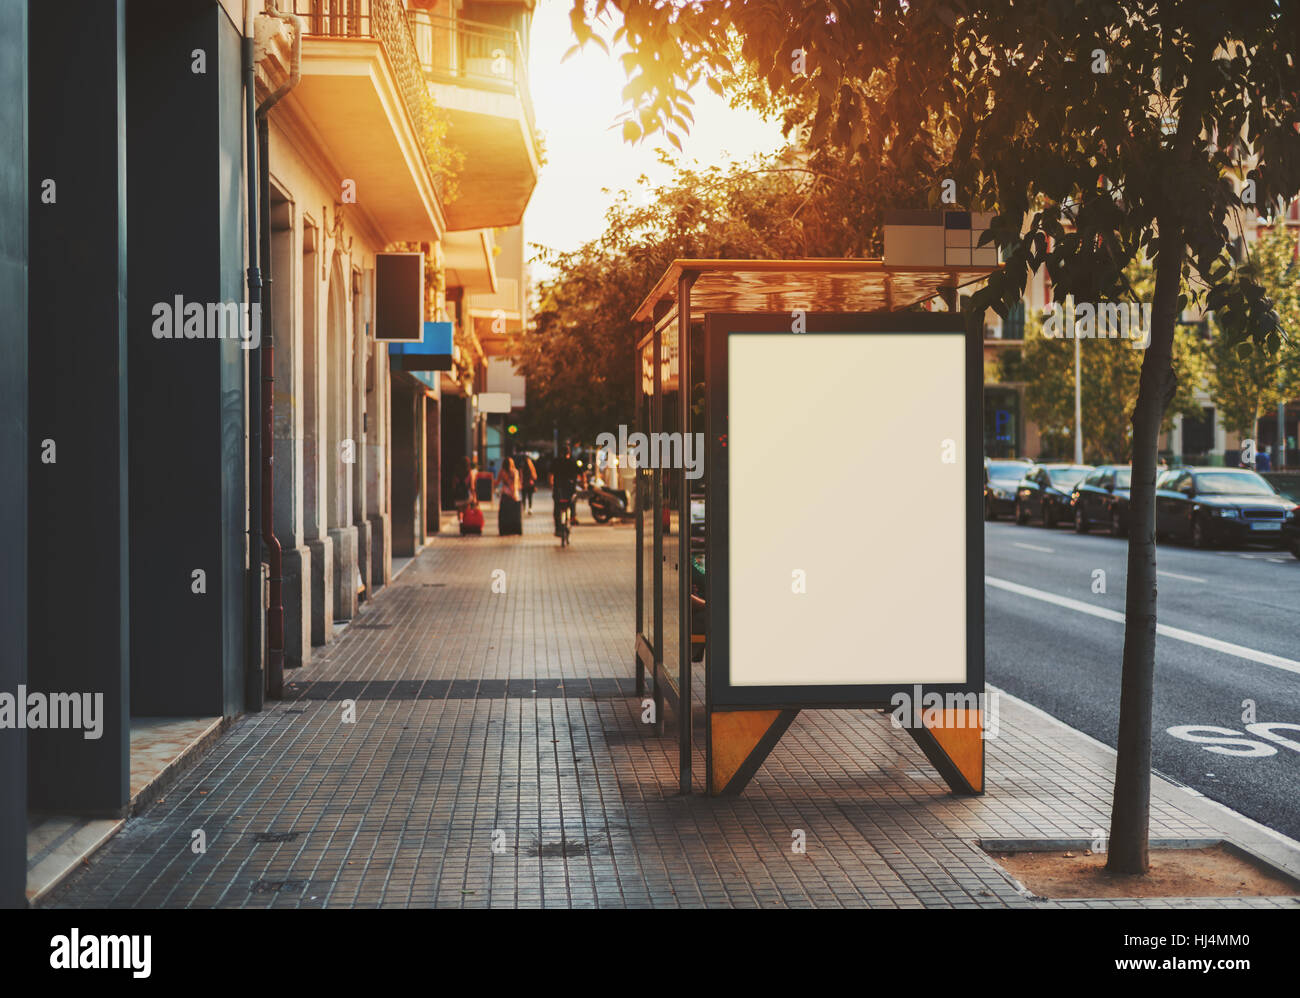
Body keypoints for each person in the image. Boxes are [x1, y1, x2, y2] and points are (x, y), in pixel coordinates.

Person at [550, 444, 580, 538]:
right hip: (570, 488)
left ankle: (558, 529)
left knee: (557, 508)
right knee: (573, 500)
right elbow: (581, 474)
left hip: (558, 488)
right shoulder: (572, 461)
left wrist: (551, 484)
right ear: (569, 453)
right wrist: (584, 483)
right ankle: (573, 516)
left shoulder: (555, 461)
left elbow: (550, 475)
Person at [496, 457, 523, 535]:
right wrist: (514, 494)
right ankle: (514, 529)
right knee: (514, 512)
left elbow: (497, 482)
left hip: (505, 493)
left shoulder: (502, 471)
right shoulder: (515, 471)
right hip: (513, 494)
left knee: (504, 512)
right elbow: (515, 484)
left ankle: (504, 529)